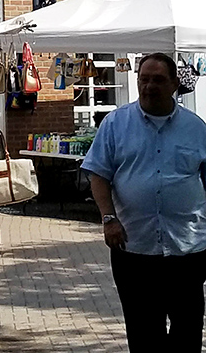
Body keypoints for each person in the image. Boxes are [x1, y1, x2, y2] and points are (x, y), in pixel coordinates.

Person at [83, 52, 206, 353]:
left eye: (158, 80)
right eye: (144, 79)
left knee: (187, 331)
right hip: (134, 248)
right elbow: (98, 174)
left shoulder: (196, 127)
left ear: (175, 84)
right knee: (144, 335)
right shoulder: (115, 124)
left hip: (187, 249)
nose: (149, 86)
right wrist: (108, 218)